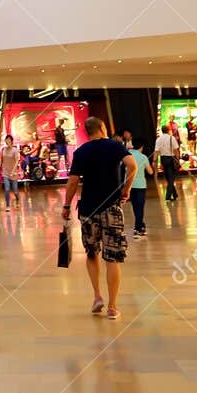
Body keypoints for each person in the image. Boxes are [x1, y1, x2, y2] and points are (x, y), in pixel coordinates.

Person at [62, 117, 136, 321]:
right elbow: (132, 165)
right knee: (112, 258)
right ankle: (112, 307)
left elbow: (73, 181)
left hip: (88, 210)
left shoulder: (81, 152)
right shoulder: (115, 146)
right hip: (111, 208)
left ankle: (97, 297)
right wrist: (126, 189)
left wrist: (67, 205)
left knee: (92, 253)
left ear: (86, 132)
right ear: (103, 128)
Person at [127, 138, 152, 236]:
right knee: (140, 207)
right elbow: (150, 171)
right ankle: (138, 227)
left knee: (135, 206)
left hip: (130, 185)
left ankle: (140, 225)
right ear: (141, 147)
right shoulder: (143, 157)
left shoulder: (128, 155)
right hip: (141, 185)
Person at [153, 122, 181, 200]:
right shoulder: (172, 138)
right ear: (168, 130)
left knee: (168, 177)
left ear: (162, 131)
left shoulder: (158, 139)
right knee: (171, 178)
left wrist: (154, 161)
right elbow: (176, 150)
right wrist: (178, 159)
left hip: (163, 159)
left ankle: (175, 194)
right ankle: (168, 196)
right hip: (172, 159)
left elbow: (156, 151)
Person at [0, 133, 21, 208]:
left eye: (8, 139)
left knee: (15, 191)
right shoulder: (3, 149)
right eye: (6, 139)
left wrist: (13, 171)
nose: (7, 141)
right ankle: (7, 205)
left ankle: (17, 198)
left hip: (13, 173)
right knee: (7, 189)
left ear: (11, 141)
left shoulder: (15, 150)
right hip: (5, 172)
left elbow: (17, 161)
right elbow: (2, 160)